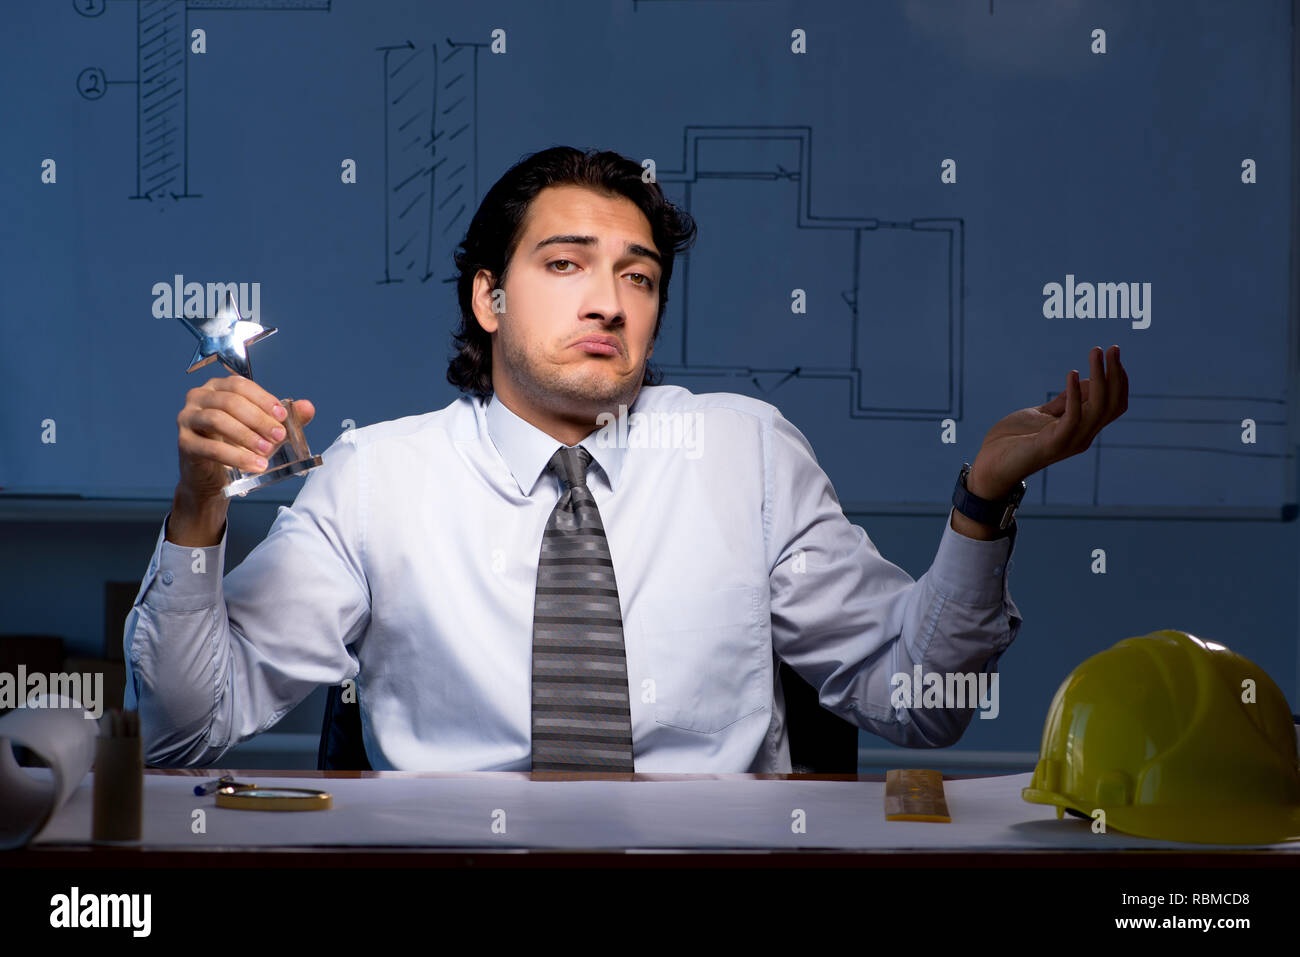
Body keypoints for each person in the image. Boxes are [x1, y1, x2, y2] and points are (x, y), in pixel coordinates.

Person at [123, 146, 1128, 771]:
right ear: (490, 298)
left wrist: (982, 501)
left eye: (637, 277)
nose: (607, 299)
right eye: (564, 266)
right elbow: (182, 733)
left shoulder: (746, 451)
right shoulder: (375, 476)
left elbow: (921, 707)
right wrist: (199, 508)